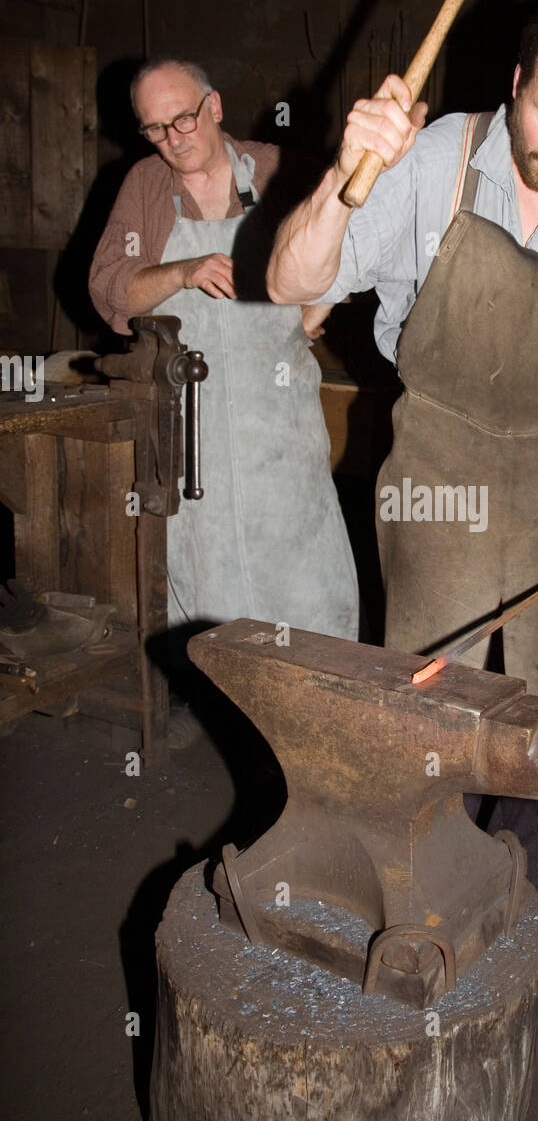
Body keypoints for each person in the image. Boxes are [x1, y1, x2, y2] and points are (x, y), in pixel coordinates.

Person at [265, 0, 538, 978]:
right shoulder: (427, 163)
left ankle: (513, 930)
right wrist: (340, 175)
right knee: (425, 704)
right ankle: (411, 912)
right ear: (515, 81)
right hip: (439, 467)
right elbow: (291, 287)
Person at [89, 59, 359, 674]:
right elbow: (109, 294)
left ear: (213, 106)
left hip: (280, 430)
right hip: (191, 436)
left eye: (182, 119)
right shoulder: (145, 188)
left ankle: (324, 716)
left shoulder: (277, 172)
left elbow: (352, 247)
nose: (172, 139)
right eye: (154, 129)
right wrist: (182, 271)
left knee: (308, 588)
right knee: (211, 598)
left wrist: (311, 317)